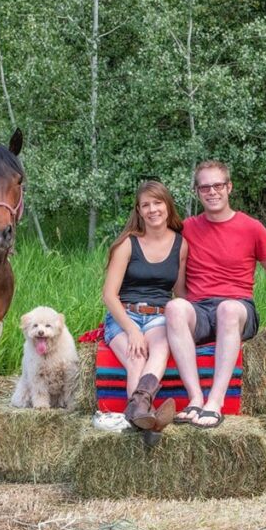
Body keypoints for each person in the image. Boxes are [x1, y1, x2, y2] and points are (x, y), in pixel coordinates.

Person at [165, 160, 266, 428]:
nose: (212, 192)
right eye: (204, 187)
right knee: (174, 308)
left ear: (229, 187)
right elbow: (179, 284)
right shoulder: (186, 229)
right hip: (201, 311)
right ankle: (195, 398)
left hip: (239, 310)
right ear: (197, 192)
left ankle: (215, 402)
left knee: (228, 309)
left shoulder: (251, 227)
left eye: (218, 185)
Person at [102, 180, 188, 435]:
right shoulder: (128, 243)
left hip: (158, 316)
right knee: (136, 356)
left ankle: (139, 415)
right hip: (123, 315)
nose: (152, 209)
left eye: (157, 203)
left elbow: (179, 292)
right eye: (145, 205)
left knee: (161, 346)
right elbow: (109, 295)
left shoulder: (181, 245)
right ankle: (146, 419)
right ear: (139, 211)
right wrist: (131, 330)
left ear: (167, 205)